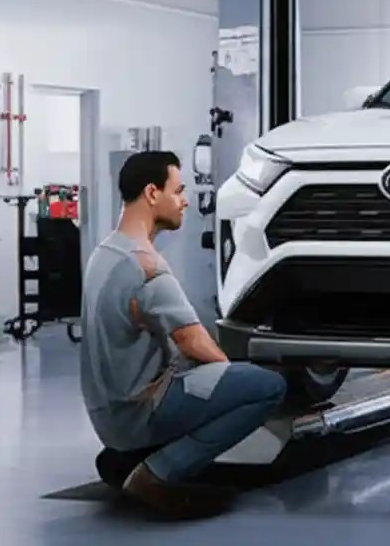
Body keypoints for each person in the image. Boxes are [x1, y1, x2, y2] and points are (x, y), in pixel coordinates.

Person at [80, 150, 287, 518]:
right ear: (151, 193)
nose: (186, 201)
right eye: (178, 190)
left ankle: (126, 458)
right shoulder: (146, 265)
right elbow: (194, 342)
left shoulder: (103, 254)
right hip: (139, 414)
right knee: (267, 387)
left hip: (107, 418)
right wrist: (227, 383)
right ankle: (158, 473)